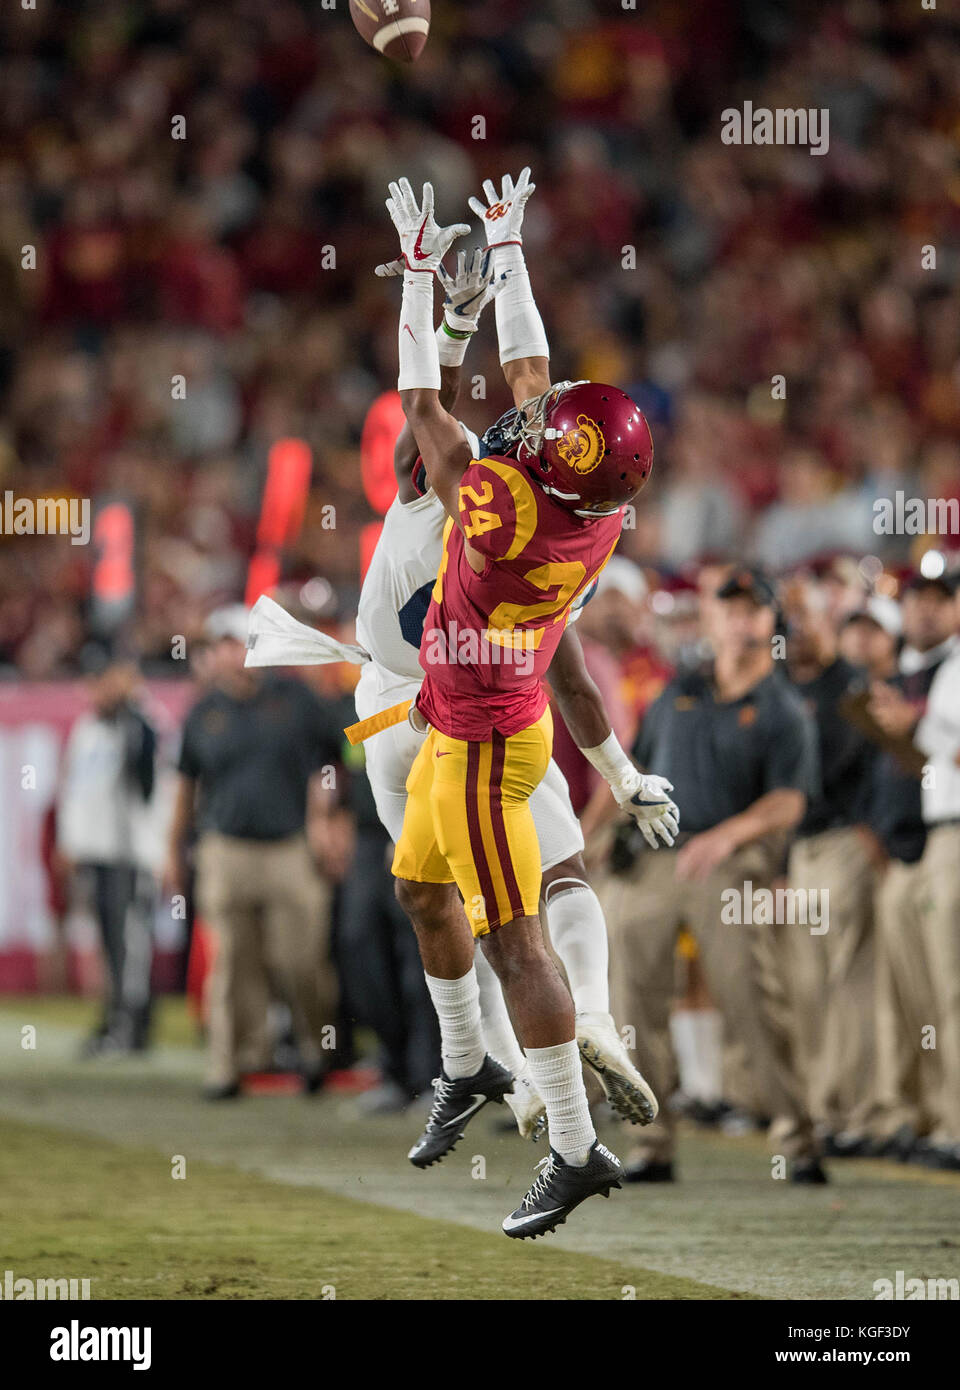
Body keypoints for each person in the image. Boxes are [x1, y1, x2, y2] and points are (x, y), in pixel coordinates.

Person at [380, 173, 677, 1239]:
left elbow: (425, 407)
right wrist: (507, 248)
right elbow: (535, 378)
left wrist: (421, 274)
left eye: (550, 426)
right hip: (489, 709)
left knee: (514, 939)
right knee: (418, 883)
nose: (539, 413)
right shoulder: (594, 517)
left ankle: (572, 1144)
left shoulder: (505, 508)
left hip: (481, 740)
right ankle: (467, 1065)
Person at [603, 568, 824, 1182]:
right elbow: (632, 766)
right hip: (654, 855)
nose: (739, 620)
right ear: (711, 618)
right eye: (728, 609)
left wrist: (727, 835)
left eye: (752, 610)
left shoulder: (783, 709)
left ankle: (797, 1137)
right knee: (632, 1000)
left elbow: (790, 800)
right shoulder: (680, 689)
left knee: (751, 997)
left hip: (730, 859)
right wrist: (591, 837)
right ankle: (650, 1143)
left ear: (770, 623)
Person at [167, 606, 341, 1098]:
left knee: (301, 960)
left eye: (241, 642)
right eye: (223, 643)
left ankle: (313, 1050)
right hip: (225, 849)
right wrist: (172, 850)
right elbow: (186, 788)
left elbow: (339, 754)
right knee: (230, 965)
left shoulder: (297, 699)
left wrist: (329, 816)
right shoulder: (203, 713)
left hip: (290, 847)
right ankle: (231, 1064)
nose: (233, 652)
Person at [782, 576, 879, 1153]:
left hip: (842, 840)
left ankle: (862, 1112)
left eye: (807, 619)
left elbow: (847, 772)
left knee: (851, 981)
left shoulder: (851, 686)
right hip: (802, 849)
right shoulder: (787, 688)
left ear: (829, 623)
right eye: (789, 621)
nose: (796, 632)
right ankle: (826, 1107)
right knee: (810, 984)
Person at [57, 655, 159, 1054]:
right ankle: (113, 1015)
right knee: (109, 940)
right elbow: (75, 789)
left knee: (131, 942)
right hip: (97, 852)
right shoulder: (88, 729)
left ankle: (132, 1022)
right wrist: (70, 841)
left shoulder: (140, 725)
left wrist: (132, 708)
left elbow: (152, 785)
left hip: (131, 853)